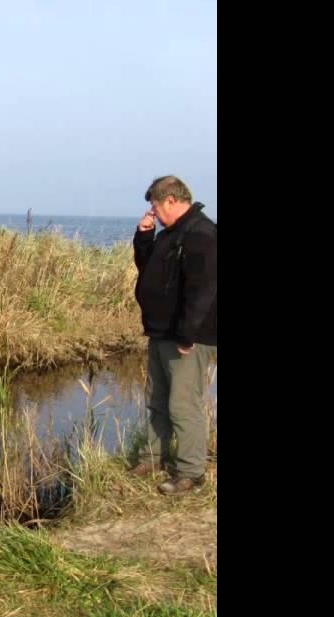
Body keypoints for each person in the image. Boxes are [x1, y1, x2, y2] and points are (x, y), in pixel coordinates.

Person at [128, 175, 217, 495]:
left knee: (183, 404)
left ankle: (191, 473)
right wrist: (144, 237)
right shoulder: (171, 234)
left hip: (187, 337)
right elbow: (148, 269)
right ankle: (152, 457)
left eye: (154, 204)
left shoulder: (202, 234)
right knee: (156, 400)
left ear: (171, 200)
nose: (153, 211)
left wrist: (187, 334)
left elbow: (204, 290)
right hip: (161, 331)